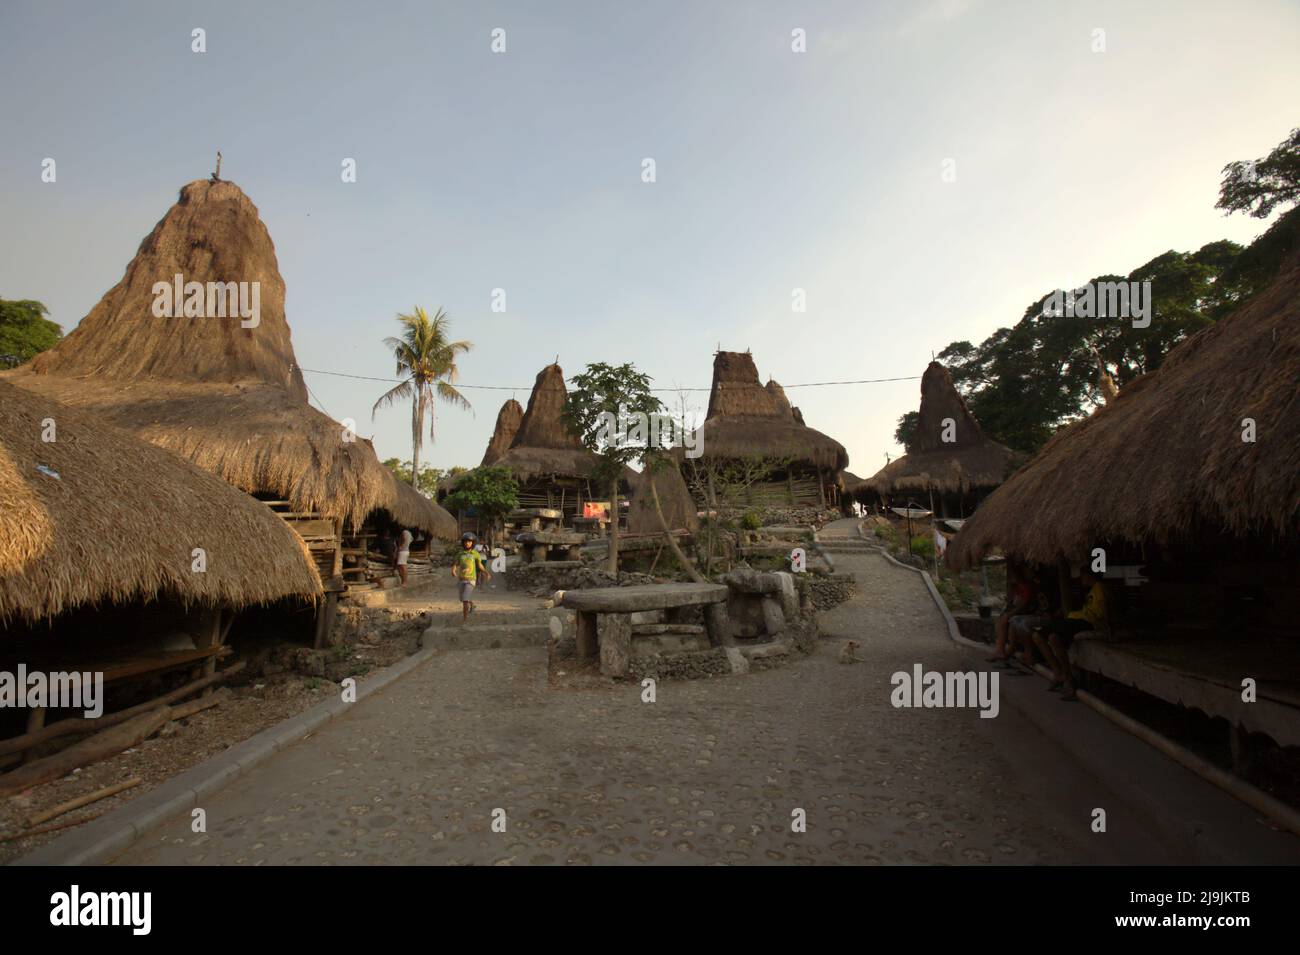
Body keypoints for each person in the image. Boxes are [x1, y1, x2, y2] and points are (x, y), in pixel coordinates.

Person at [1034, 568, 1108, 701]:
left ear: (1089, 575)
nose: (1081, 578)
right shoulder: (1091, 591)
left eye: (1083, 575)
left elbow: (1099, 614)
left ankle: (1068, 678)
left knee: (1053, 636)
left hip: (1085, 622)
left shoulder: (1100, 589)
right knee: (1041, 636)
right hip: (1075, 620)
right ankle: (1058, 673)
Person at [989, 566, 1035, 666]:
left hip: (1024, 612)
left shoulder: (1026, 588)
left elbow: (1024, 605)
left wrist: (1010, 613)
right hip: (1017, 611)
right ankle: (1001, 649)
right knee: (1001, 620)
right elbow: (1013, 603)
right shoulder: (1018, 588)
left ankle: (1002, 650)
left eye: (1013, 576)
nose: (1011, 579)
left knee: (1006, 620)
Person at [451, 531, 491, 622]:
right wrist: (453, 570)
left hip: (471, 580)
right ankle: (472, 604)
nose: (467, 543)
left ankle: (464, 618)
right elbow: (456, 564)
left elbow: (480, 565)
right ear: (463, 543)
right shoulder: (460, 553)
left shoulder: (475, 553)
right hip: (461, 579)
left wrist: (486, 573)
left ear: (472, 543)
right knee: (462, 599)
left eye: (469, 541)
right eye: (465, 541)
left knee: (465, 600)